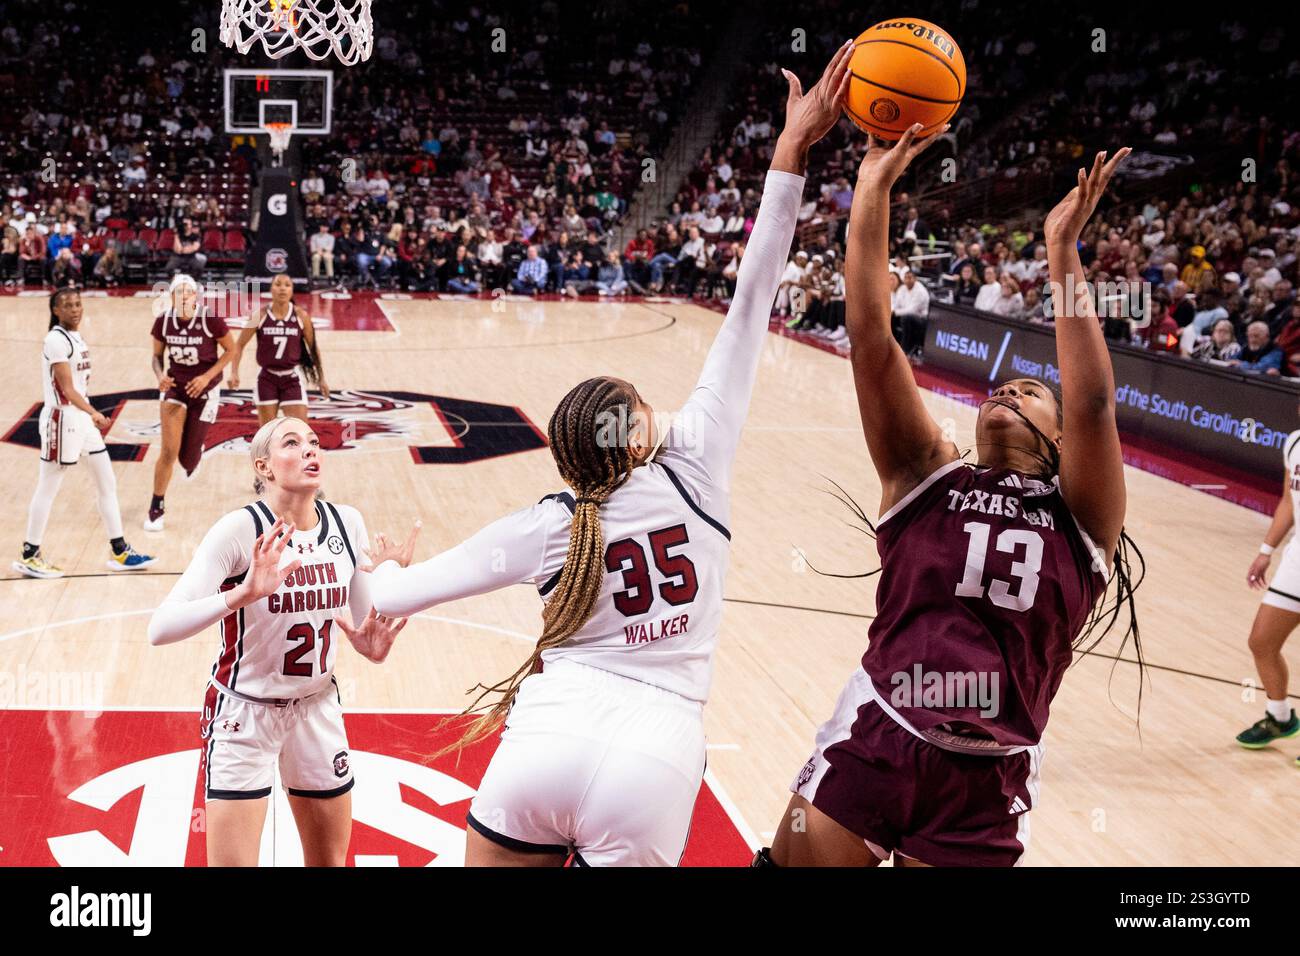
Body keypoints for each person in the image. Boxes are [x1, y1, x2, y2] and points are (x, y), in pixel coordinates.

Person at [366, 43, 854, 867]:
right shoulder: (697, 463)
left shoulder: (550, 523)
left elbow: (395, 595)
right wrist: (787, 154)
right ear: (635, 432)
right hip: (657, 762)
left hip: (545, 745)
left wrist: (376, 577)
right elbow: (750, 302)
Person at [757, 141, 1140, 868]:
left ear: (1061, 441)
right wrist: (872, 187)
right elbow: (871, 337)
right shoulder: (925, 475)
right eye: (998, 390)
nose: (1005, 393)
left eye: (1029, 393)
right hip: (882, 731)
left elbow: (1092, 400)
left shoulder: (1082, 518)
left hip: (990, 775)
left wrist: (1063, 247)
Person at [147, 416, 407, 866]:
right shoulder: (239, 530)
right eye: (292, 442)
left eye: (313, 441)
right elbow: (160, 628)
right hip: (243, 712)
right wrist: (240, 594)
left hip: (316, 709)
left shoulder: (348, 524)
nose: (310, 449)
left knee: (328, 863)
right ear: (264, 467)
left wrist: (377, 634)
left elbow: (363, 627)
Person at [14, 288, 154, 578]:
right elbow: (67, 389)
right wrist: (92, 412)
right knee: (48, 487)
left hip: (81, 420)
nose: (75, 309)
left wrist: (88, 414)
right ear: (56, 310)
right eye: (68, 305)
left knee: (107, 482)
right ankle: (30, 553)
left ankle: (119, 550)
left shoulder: (75, 337)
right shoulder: (55, 339)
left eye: (78, 304)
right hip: (62, 419)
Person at [144, 274, 239, 533]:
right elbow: (156, 356)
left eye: (188, 292)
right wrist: (159, 375)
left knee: (187, 459)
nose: (184, 296)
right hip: (175, 387)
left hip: (206, 388)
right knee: (168, 451)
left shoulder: (210, 319)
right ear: (171, 297)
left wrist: (207, 376)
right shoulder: (163, 321)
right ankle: (156, 506)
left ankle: (195, 451)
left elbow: (231, 350)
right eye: (179, 292)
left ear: (196, 296)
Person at [1237, 409, 1300, 760]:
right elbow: (1289, 502)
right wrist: (1266, 551)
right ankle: (1280, 717)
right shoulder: (1295, 443)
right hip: (1297, 559)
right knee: (1262, 641)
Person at [228, 273, 329, 427]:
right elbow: (239, 345)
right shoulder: (259, 315)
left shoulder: (301, 316)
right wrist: (234, 372)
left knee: (300, 431)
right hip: (266, 379)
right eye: (278, 284)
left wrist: (321, 378)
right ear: (271, 289)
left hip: (292, 378)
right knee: (267, 434)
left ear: (292, 291)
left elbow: (314, 349)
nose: (282, 288)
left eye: (287, 285)